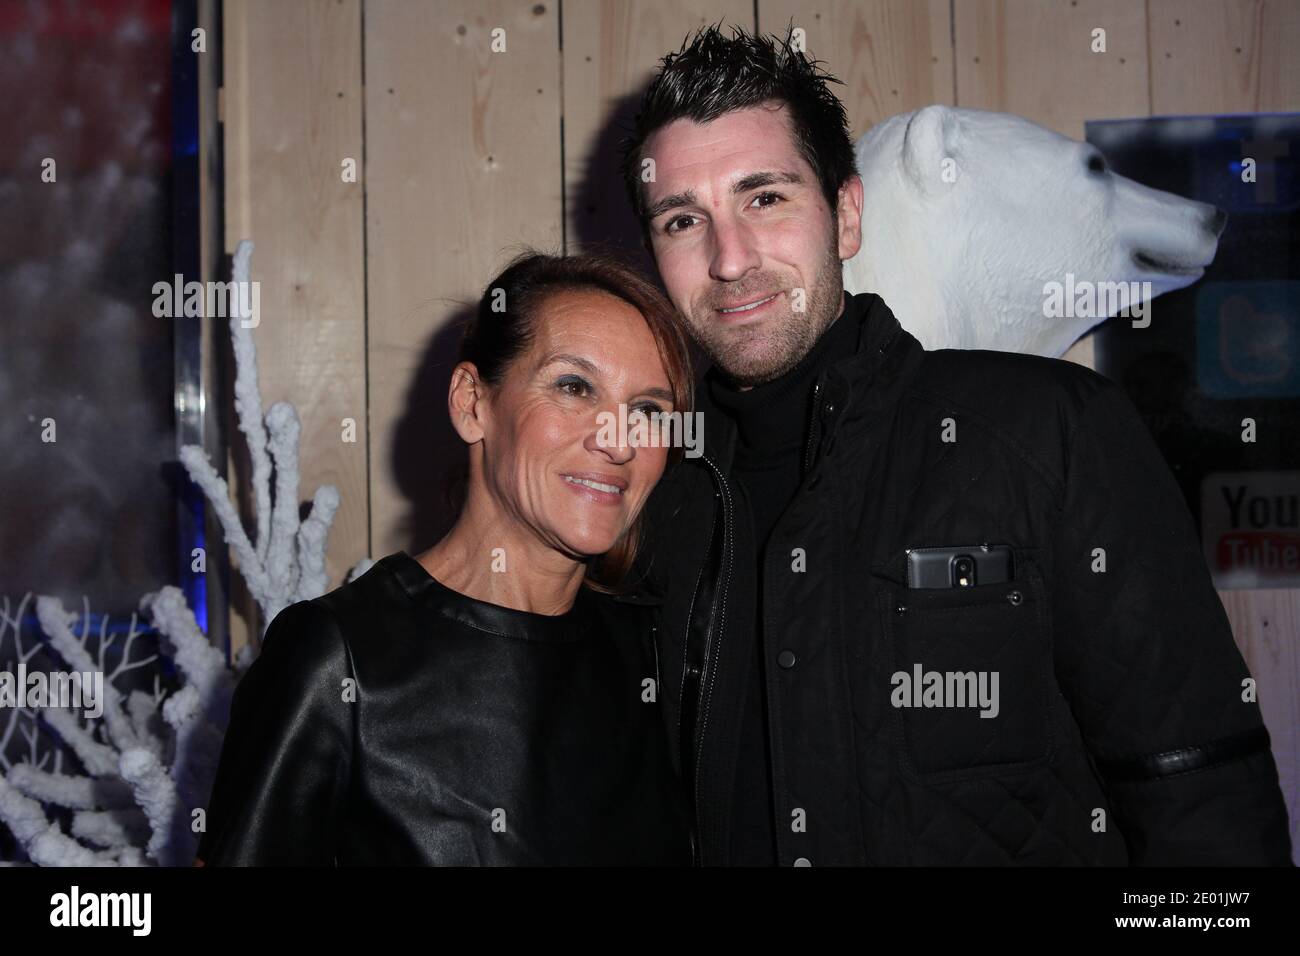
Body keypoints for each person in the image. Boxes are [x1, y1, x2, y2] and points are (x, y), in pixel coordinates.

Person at [619, 25, 1293, 865]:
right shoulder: (654, 497)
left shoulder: (1051, 431)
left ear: (847, 215)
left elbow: (1209, 813)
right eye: (684, 219)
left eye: (766, 197)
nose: (729, 259)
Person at [195, 252, 695, 865]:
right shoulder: (336, 660)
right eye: (573, 386)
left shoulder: (656, 652)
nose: (619, 441)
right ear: (471, 403)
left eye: (648, 412)